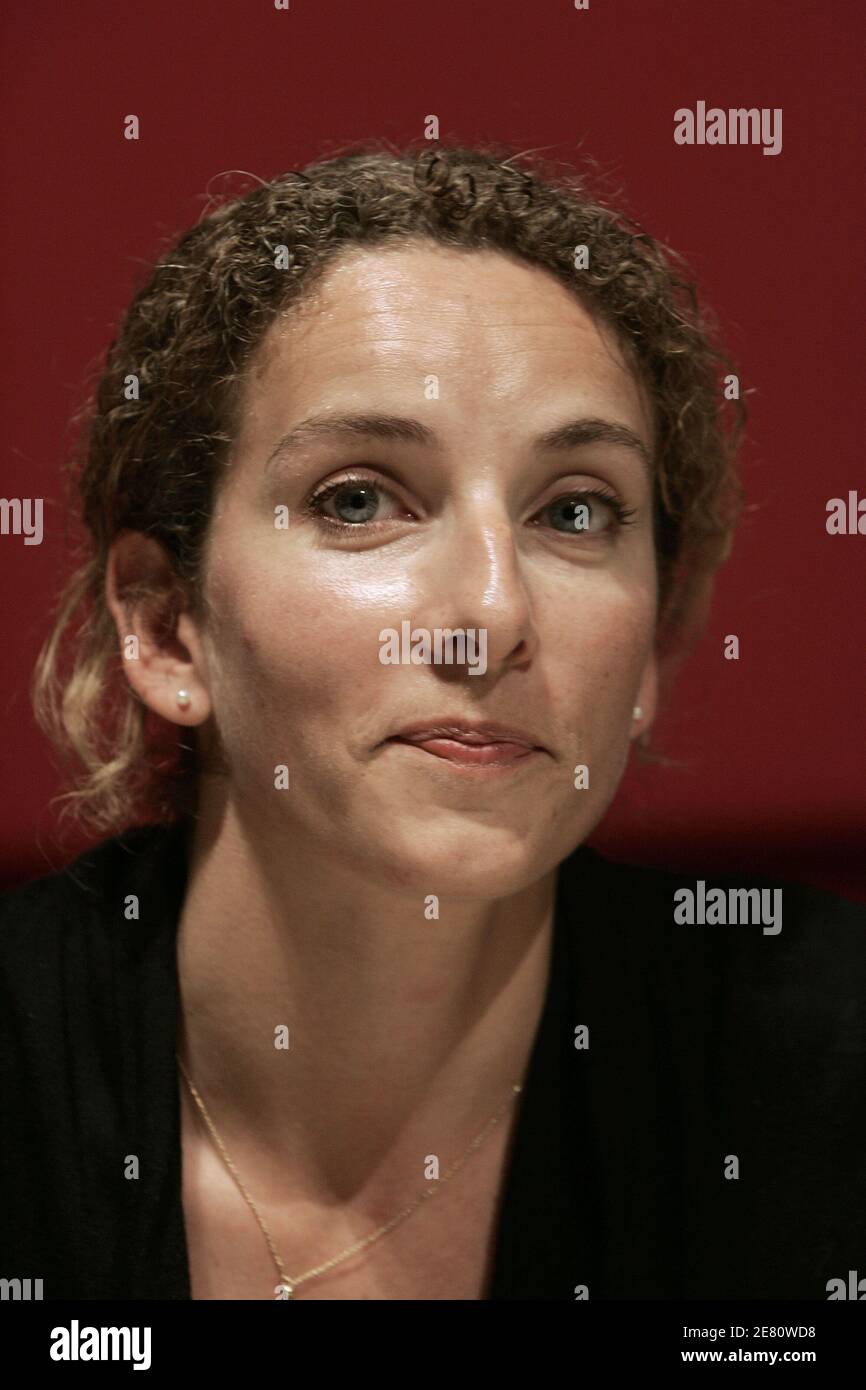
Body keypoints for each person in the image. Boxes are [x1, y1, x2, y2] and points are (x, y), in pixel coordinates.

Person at [1, 143, 863, 1301]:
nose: (493, 615)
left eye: (574, 510)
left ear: (653, 639)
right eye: (358, 499)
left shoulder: (823, 1068)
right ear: (166, 628)